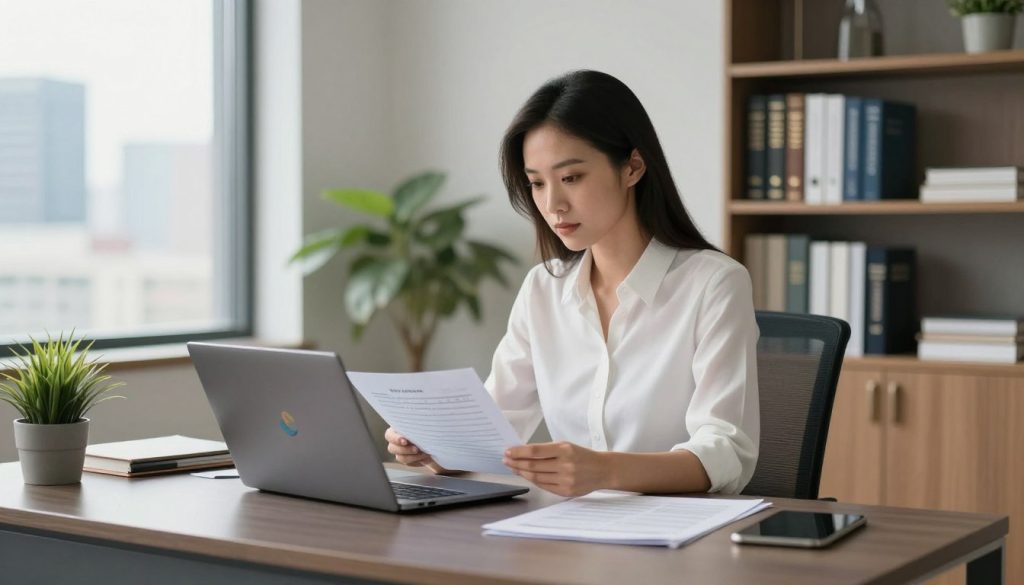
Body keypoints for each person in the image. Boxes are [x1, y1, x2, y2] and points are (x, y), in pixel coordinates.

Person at [385, 70, 759, 497]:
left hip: (680, 544)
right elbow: (493, 430)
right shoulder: (543, 288)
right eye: (537, 183)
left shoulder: (713, 283)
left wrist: (604, 471)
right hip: (568, 535)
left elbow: (727, 450)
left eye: (571, 178)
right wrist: (430, 449)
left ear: (633, 167)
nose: (552, 204)